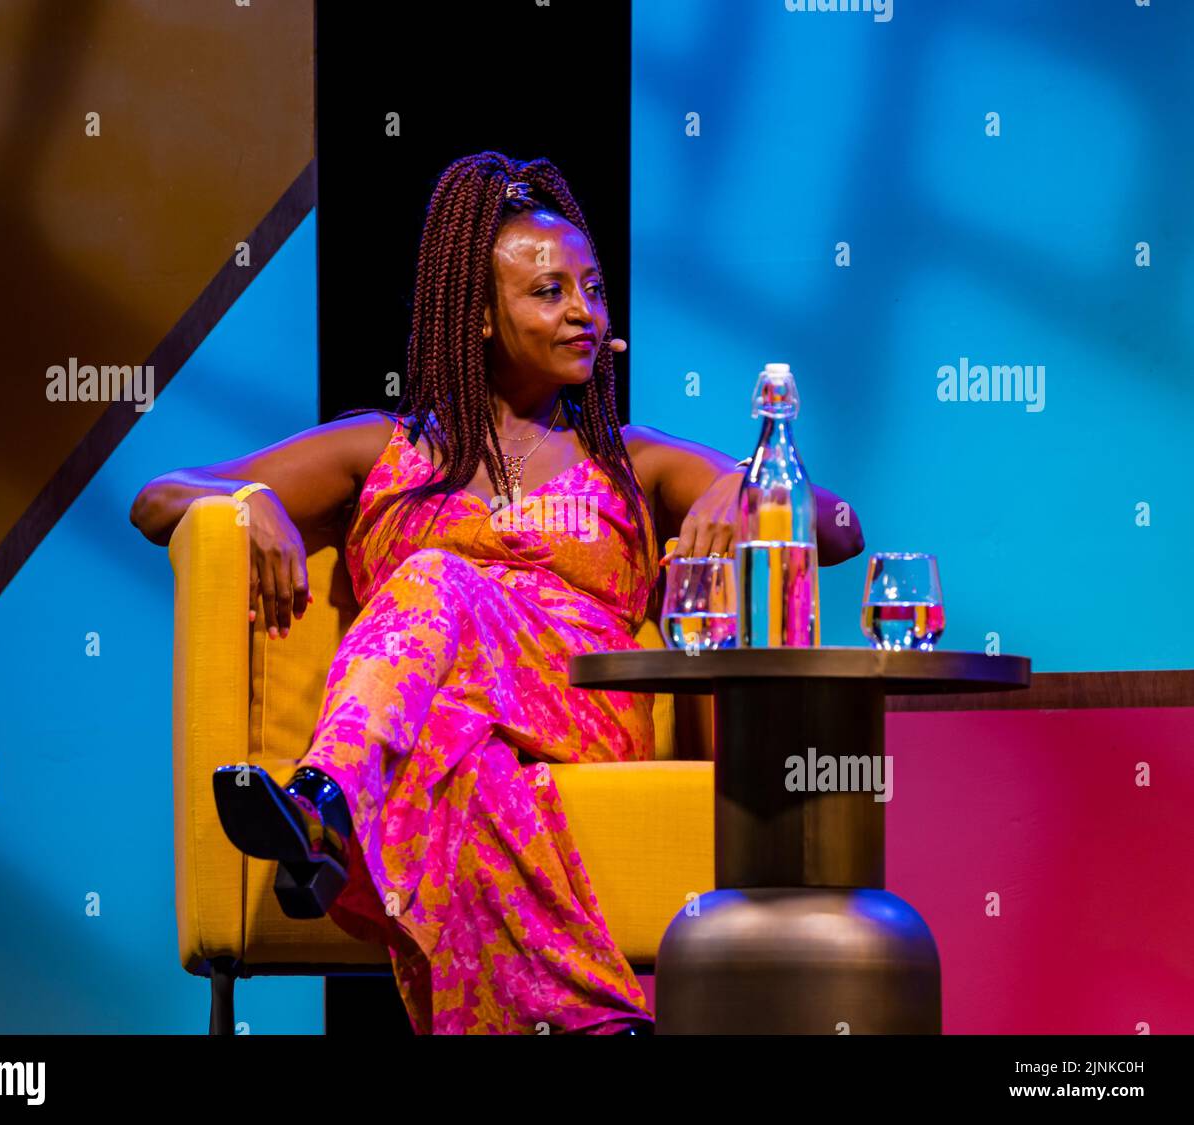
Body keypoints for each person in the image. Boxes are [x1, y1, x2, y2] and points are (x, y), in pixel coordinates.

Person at [129, 151, 864, 1035]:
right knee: (455, 752)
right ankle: (594, 1024)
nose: (585, 312)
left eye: (592, 289)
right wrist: (246, 504)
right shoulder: (385, 451)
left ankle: (327, 805)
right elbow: (159, 494)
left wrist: (749, 484)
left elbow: (842, 527)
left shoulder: (632, 458)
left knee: (434, 578)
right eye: (550, 293)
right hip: (437, 732)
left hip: (585, 710)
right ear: (478, 315)